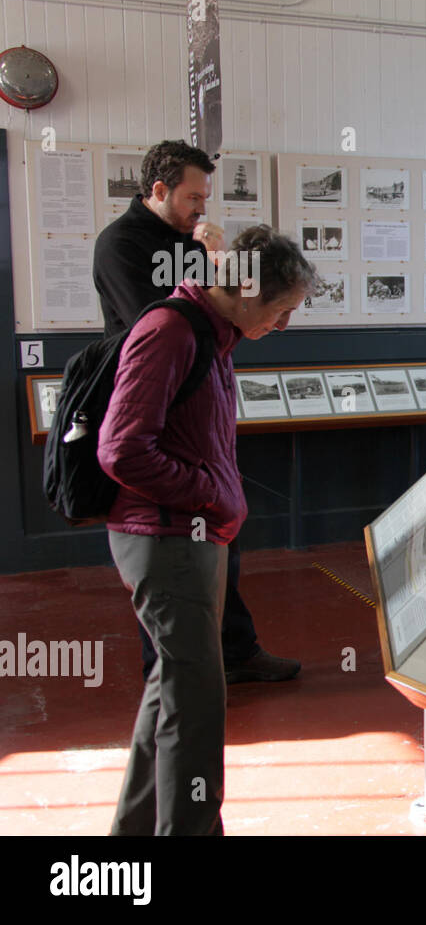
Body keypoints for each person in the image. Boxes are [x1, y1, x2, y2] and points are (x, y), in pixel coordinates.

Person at [99, 225, 315, 835]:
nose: (282, 325)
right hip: (166, 540)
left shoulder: (212, 333)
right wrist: (208, 496)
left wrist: (213, 506)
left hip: (190, 536)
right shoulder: (171, 331)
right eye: (281, 310)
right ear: (247, 291)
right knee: (195, 712)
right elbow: (121, 450)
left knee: (170, 695)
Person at [93, 140, 300, 684]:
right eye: (193, 196)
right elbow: (159, 323)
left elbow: (223, 306)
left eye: (206, 196)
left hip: (197, 394)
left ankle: (233, 649)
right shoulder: (120, 245)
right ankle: (169, 668)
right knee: (172, 546)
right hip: (159, 402)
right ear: (158, 190)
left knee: (219, 541)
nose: (202, 208)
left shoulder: (191, 242)